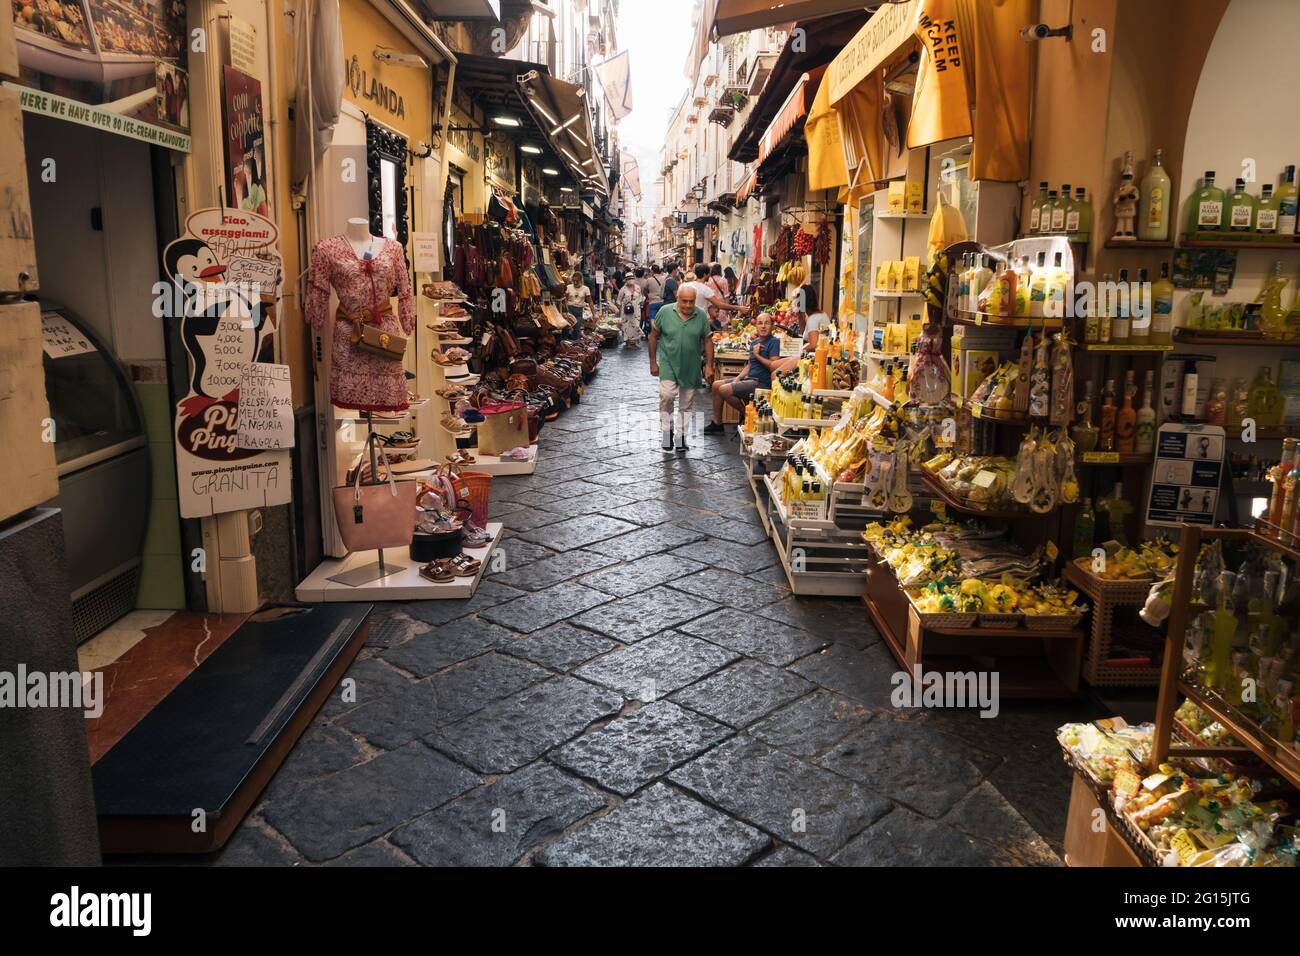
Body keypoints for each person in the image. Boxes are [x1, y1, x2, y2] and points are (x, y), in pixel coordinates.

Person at [648, 284, 714, 452]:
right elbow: (653, 337)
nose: (688, 306)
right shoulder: (665, 312)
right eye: (684, 301)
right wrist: (653, 362)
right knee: (667, 396)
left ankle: (681, 437)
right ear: (677, 298)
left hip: (691, 365)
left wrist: (709, 365)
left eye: (691, 302)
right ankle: (666, 432)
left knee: (686, 403)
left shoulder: (700, 315)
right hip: (668, 363)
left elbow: (707, 340)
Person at [704, 311, 780, 434]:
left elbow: (774, 366)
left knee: (724, 389)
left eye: (767, 323)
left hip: (762, 383)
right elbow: (750, 365)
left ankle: (747, 415)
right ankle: (717, 423)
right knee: (716, 385)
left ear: (772, 326)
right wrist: (738, 378)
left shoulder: (774, 342)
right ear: (756, 326)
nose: (763, 326)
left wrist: (757, 355)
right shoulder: (755, 342)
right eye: (760, 323)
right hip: (750, 379)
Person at [775, 283, 830, 372]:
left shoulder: (813, 319)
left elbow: (813, 345)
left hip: (810, 360)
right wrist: (801, 316)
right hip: (812, 357)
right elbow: (804, 333)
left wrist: (799, 350)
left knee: (774, 369)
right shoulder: (822, 315)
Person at [683, 262, 749, 330]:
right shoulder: (705, 289)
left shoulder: (685, 286)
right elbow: (719, 305)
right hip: (699, 323)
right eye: (709, 273)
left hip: (686, 321)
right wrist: (739, 308)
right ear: (705, 274)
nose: (710, 275)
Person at [617, 275, 644, 348]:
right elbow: (618, 300)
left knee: (636, 325)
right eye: (629, 279)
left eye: (632, 278)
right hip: (625, 311)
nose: (631, 280)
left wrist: (641, 304)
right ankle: (628, 342)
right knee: (627, 326)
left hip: (636, 310)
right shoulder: (623, 289)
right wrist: (620, 309)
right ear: (626, 280)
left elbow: (641, 297)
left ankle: (636, 341)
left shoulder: (638, 288)